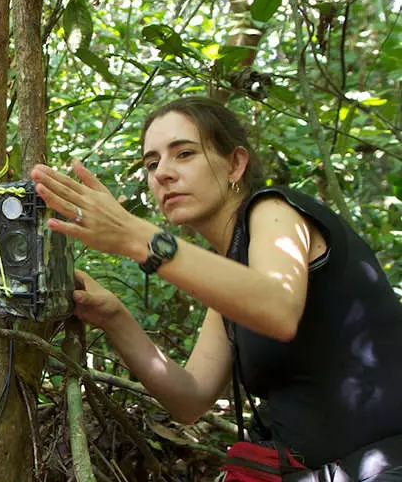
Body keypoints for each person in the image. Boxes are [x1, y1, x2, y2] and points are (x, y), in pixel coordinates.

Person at [31, 97, 402, 478]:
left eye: (184, 154)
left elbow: (277, 308)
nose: (162, 174)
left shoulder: (274, 211)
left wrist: (137, 236)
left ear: (235, 164)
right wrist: (114, 317)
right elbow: (191, 398)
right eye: (151, 163)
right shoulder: (230, 269)